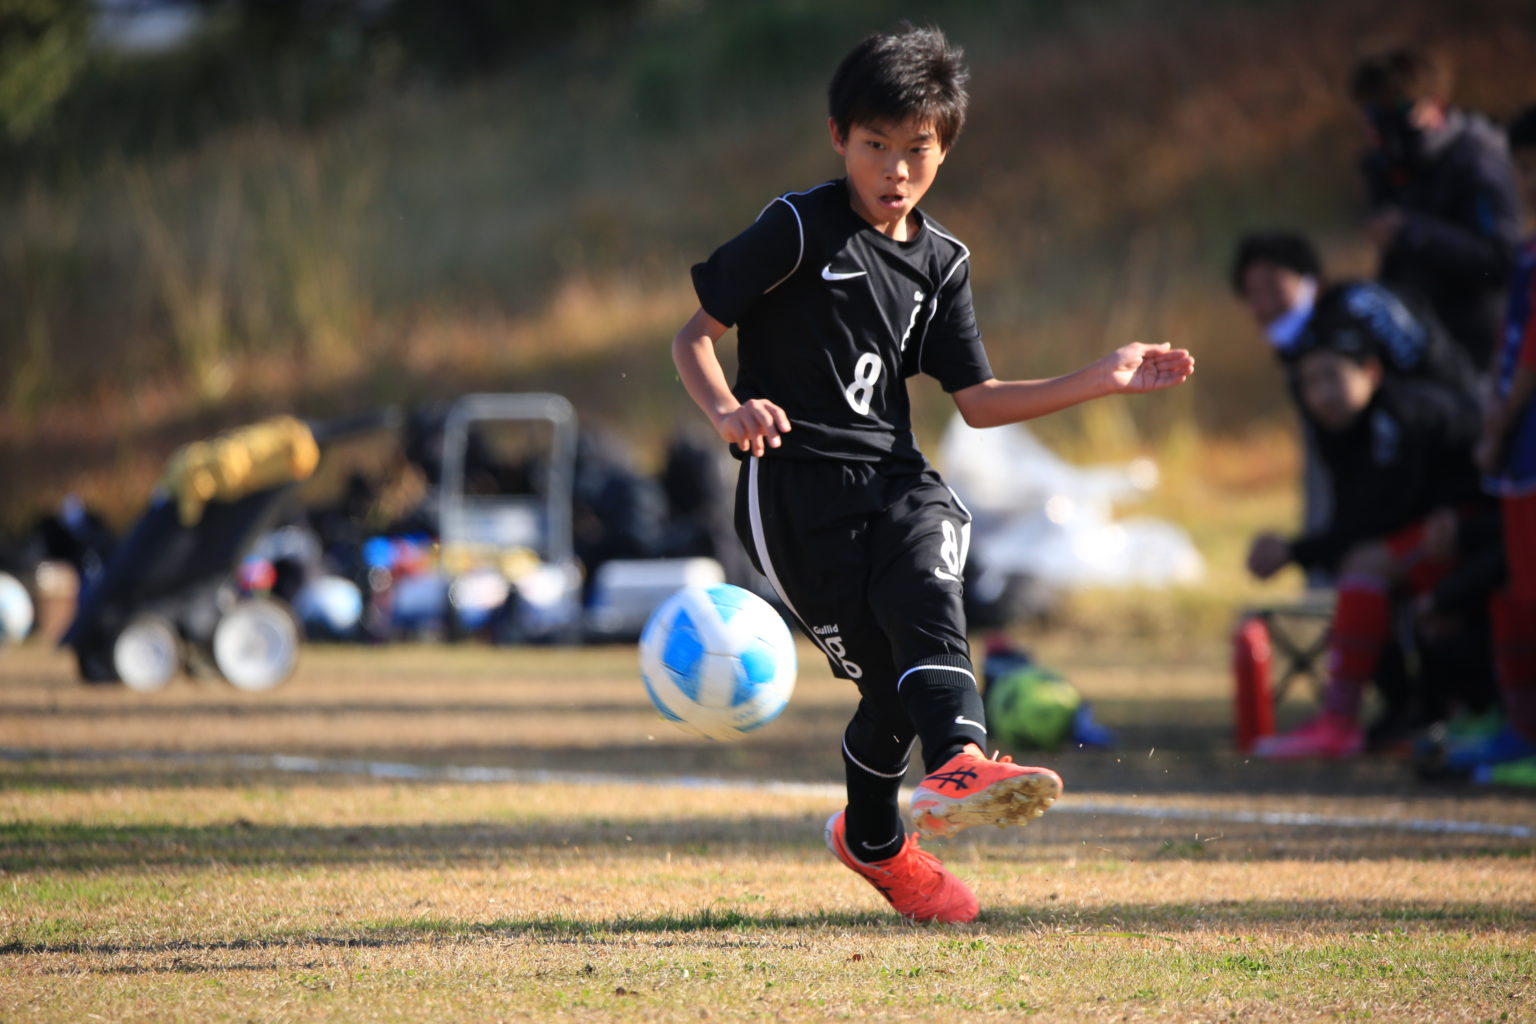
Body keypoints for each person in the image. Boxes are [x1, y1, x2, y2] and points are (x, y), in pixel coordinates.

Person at [670, 25, 1194, 923]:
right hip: (792, 497)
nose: (895, 170)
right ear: (840, 137)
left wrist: (1098, 376)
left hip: (899, 482)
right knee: (889, 688)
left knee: (930, 593)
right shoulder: (796, 226)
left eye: (917, 150)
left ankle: (963, 761)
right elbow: (692, 337)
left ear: (944, 150)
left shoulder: (943, 264)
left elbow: (978, 401)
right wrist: (729, 413)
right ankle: (874, 840)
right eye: (876, 146)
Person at [1247, 323, 1487, 759]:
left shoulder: (1400, 416)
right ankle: (1407, 713)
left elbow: (1381, 516)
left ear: (1372, 372)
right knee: (1361, 570)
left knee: (1365, 565)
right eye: (1309, 383)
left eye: (1332, 377)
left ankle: (1341, 723)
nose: (1320, 394)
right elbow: (1355, 517)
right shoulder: (1339, 428)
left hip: (1484, 525)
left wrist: (1293, 552)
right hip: (1440, 532)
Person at [1349, 47, 1522, 372]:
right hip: (1415, 342)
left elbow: (1501, 261)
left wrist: (1412, 231)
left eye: (1399, 108)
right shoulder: (1382, 166)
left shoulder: (1476, 158)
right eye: (1374, 112)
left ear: (1435, 103)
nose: (1386, 124)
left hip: (1478, 344)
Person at [1458, 104, 1536, 783]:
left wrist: (1499, 424)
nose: (1527, 181)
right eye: (1522, 168)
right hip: (1520, 450)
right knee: (1520, 590)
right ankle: (1521, 729)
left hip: (1526, 439)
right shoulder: (1527, 250)